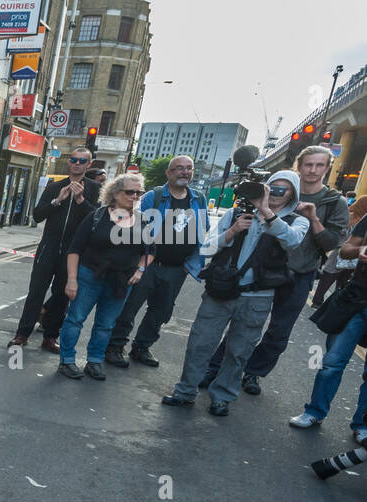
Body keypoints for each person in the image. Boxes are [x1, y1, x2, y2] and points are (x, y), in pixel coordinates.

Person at [201, 145, 349, 394]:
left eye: (319, 165)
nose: (312, 170)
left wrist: (313, 219)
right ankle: (216, 368)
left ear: (327, 168)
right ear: (298, 167)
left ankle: (253, 373)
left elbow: (333, 244)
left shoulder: (334, 202)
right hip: (260, 270)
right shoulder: (272, 192)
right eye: (308, 164)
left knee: (278, 331)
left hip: (298, 272)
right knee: (242, 323)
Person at [161, 170, 309, 416]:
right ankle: (185, 391)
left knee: (239, 351)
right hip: (221, 289)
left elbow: (292, 242)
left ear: (292, 194)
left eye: (283, 190)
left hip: (257, 297)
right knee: (200, 343)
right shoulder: (236, 214)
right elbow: (207, 247)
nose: (275, 194)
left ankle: (222, 397)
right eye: (271, 189)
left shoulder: (296, 221)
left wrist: (267, 213)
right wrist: (232, 232)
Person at [106, 156, 209, 368]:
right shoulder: (153, 197)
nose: (185, 172)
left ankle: (141, 347)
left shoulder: (199, 198)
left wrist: (195, 261)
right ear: (168, 173)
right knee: (130, 306)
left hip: (178, 268)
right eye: (179, 168)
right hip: (148, 264)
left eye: (188, 168)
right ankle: (115, 347)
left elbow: (203, 227)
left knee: (161, 311)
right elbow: (131, 223)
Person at [55, 173, 151, 380]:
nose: (135, 196)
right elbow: (75, 249)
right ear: (115, 193)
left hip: (120, 281)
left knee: (106, 324)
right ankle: (67, 361)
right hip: (90, 275)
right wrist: (72, 279)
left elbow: (151, 251)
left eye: (138, 192)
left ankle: (95, 361)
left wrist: (140, 270)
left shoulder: (142, 221)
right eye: (130, 192)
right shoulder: (97, 216)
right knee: (76, 319)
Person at [9, 147, 102, 351]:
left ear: (89, 164)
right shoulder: (54, 186)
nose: (77, 164)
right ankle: (22, 334)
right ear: (69, 163)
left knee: (62, 295)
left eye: (82, 161)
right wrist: (57, 201)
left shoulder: (95, 189)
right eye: (74, 160)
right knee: (36, 292)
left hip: (73, 252)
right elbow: (37, 215)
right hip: (48, 247)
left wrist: (80, 200)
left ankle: (50, 337)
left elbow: (97, 220)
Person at [289, 219, 367, 443]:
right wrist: (361, 250)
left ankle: (363, 426)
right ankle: (314, 412)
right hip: (357, 300)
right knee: (332, 362)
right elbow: (346, 249)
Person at [312, 194, 367, 305]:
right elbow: (339, 233)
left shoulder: (362, 218)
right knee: (328, 278)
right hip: (340, 253)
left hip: (354, 258)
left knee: (343, 282)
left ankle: (334, 302)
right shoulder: (350, 215)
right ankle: (317, 301)